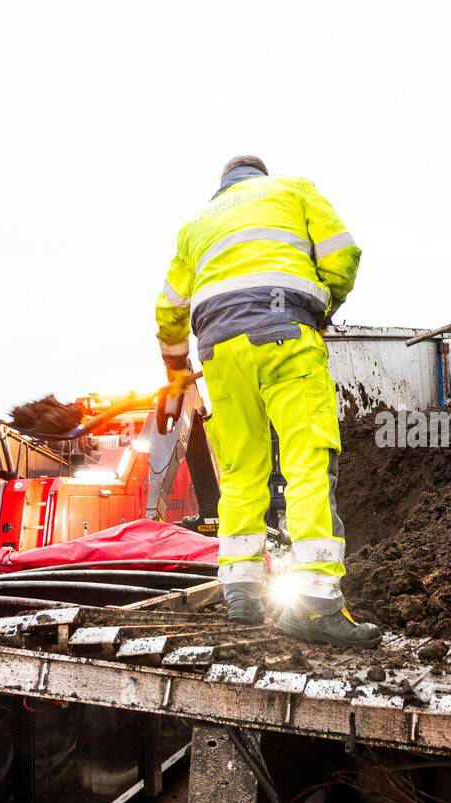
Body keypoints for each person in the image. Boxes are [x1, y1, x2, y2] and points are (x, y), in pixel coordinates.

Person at [154, 155, 379, 648]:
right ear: (260, 175)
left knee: (240, 472)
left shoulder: (196, 225)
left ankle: (242, 594)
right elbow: (344, 256)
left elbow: (169, 309)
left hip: (220, 354)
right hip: (286, 338)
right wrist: (323, 307)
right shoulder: (293, 190)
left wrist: (176, 372)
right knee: (306, 461)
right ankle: (317, 606)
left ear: (224, 186)